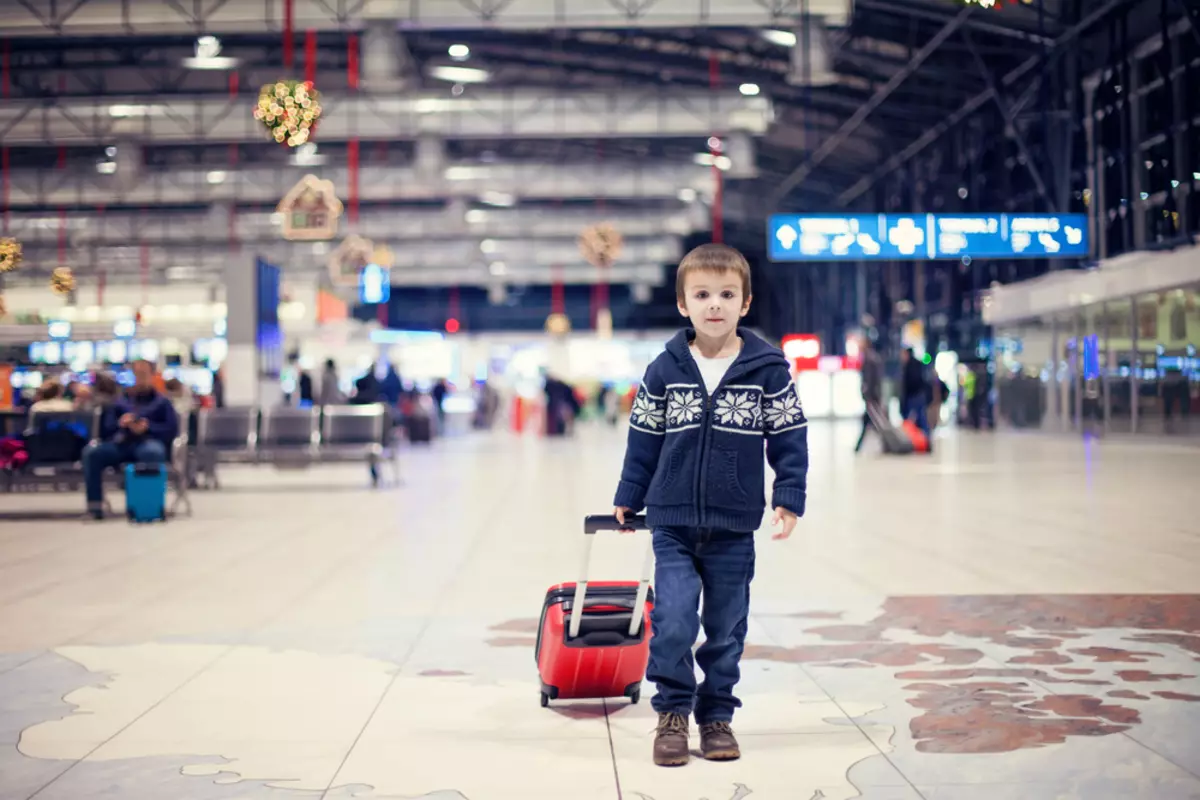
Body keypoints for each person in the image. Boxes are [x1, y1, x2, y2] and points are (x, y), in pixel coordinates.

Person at [612, 243, 809, 768]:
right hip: (672, 522)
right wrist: (629, 497)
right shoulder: (664, 369)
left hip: (732, 527)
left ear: (745, 303)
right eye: (702, 294)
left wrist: (788, 496)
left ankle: (716, 714)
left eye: (727, 294)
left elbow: (790, 437)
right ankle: (673, 711)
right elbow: (643, 440)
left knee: (725, 628)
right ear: (683, 303)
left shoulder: (768, 370)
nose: (714, 304)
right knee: (674, 617)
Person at [82, 359, 179, 520]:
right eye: (136, 374)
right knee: (92, 453)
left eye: (143, 374)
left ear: (152, 375)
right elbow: (106, 430)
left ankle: (148, 507)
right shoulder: (120, 402)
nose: (140, 378)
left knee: (152, 453)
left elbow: (170, 429)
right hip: (122, 443)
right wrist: (121, 424)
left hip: (148, 442)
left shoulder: (162, 403)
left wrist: (148, 427)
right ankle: (95, 507)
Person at [854, 335, 884, 453]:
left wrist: (868, 394)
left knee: (870, 422)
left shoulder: (869, 359)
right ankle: (859, 446)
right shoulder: (871, 358)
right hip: (872, 397)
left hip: (871, 397)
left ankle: (858, 446)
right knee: (871, 422)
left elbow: (871, 380)